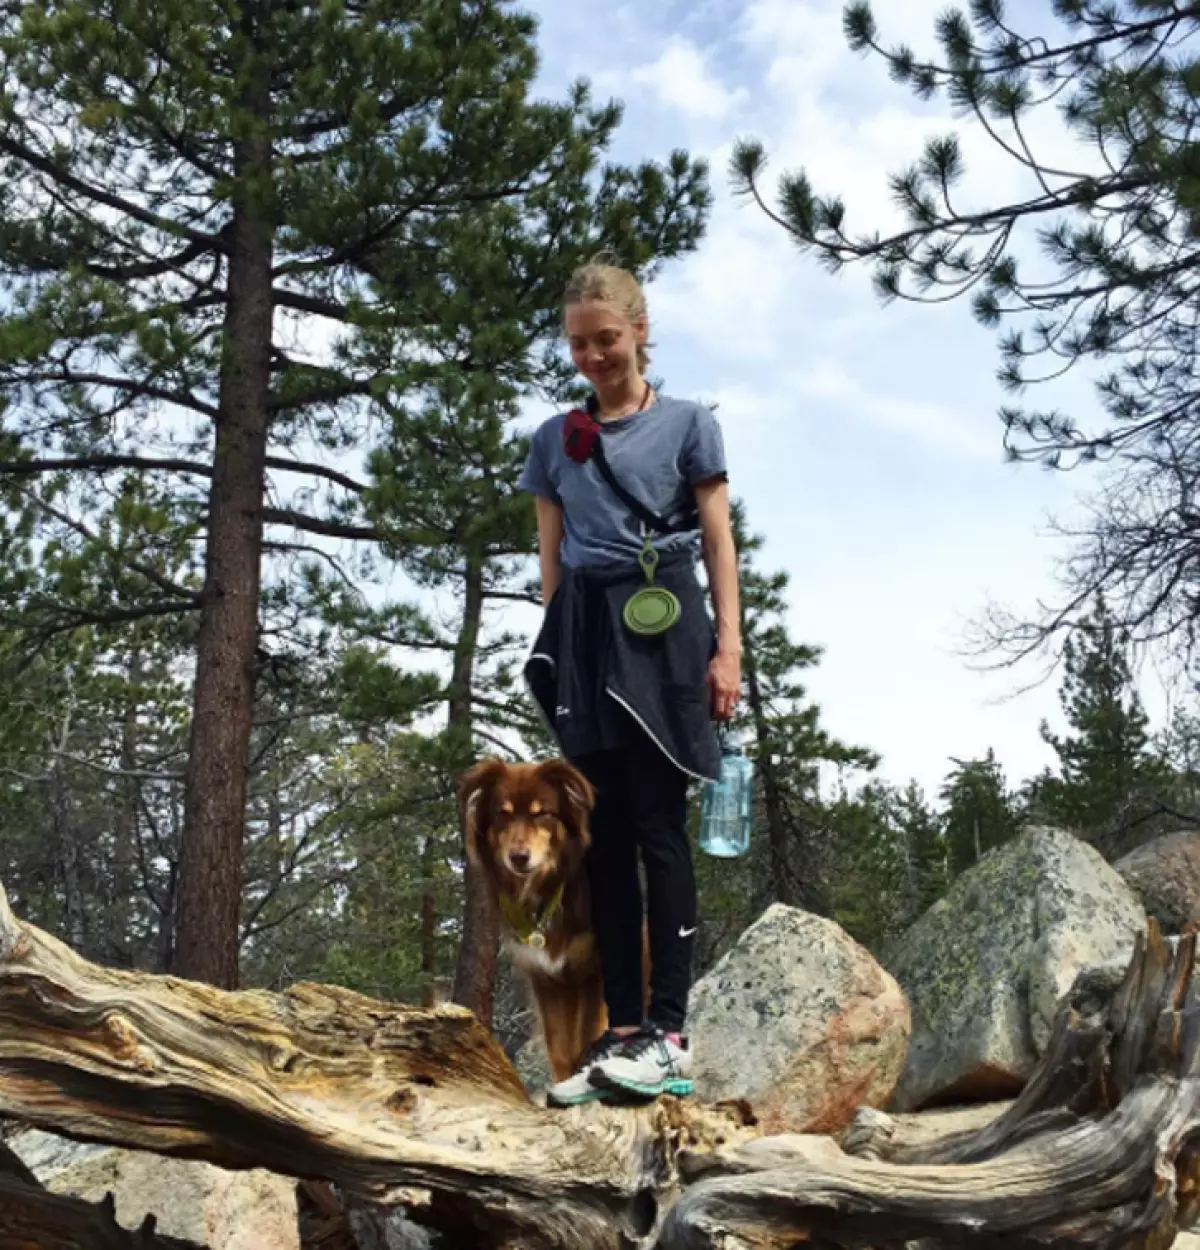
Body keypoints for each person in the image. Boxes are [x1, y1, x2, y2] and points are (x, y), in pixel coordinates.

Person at [520, 258, 742, 1106]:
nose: (593, 356)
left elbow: (719, 541)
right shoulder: (553, 439)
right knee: (600, 839)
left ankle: (668, 1034)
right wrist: (560, 646)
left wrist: (729, 650)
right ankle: (618, 1036)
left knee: (657, 826)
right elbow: (550, 558)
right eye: (579, 343)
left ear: (640, 331)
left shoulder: (689, 424)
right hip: (585, 635)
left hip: (664, 628)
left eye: (606, 338)